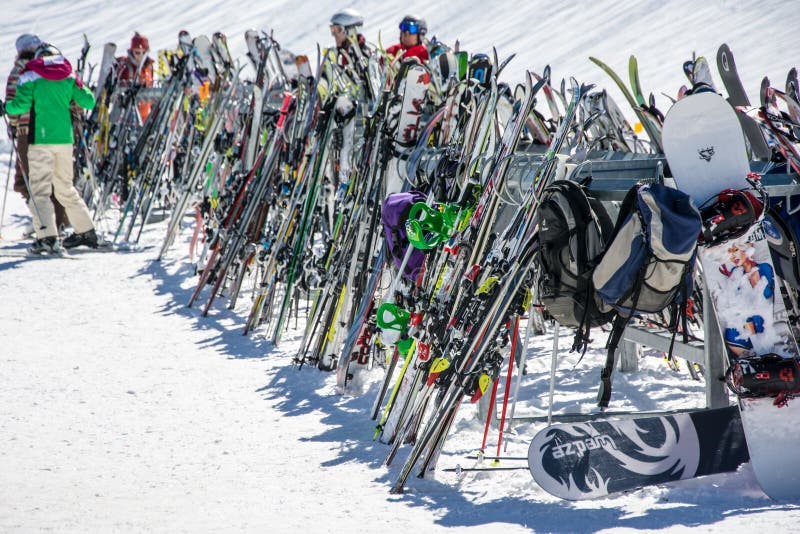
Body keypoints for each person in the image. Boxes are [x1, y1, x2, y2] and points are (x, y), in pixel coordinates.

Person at [1, 43, 98, 254]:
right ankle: (86, 230)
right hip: (64, 140)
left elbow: (20, 105)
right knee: (64, 187)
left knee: (39, 190)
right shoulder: (68, 74)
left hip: (40, 141)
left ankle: (47, 237)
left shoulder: (31, 74)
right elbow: (88, 101)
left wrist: (5, 108)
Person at [4, 34, 70, 234]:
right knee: (50, 177)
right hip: (50, 128)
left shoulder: (21, 70)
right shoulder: (47, 69)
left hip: (27, 130)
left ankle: (44, 221)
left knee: (26, 178)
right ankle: (55, 221)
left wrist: (14, 124)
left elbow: (13, 99)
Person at [115, 32, 155, 121]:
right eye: (137, 52)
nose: (140, 56)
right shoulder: (127, 68)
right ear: (132, 51)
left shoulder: (149, 67)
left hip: (145, 118)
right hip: (128, 120)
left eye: (143, 52)